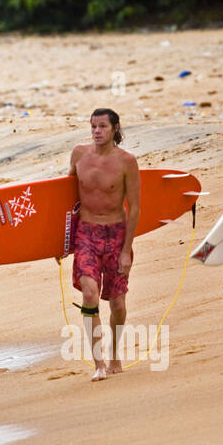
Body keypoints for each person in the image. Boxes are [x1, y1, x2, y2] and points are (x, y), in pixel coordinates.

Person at [62, 108, 141, 380]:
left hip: (117, 234)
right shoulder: (79, 155)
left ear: (115, 129)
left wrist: (126, 250)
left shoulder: (127, 162)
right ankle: (98, 364)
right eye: (93, 126)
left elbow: (135, 208)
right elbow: (62, 198)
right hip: (86, 233)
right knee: (89, 294)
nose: (97, 131)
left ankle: (115, 355)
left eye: (103, 127)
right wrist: (56, 243)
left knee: (117, 304)